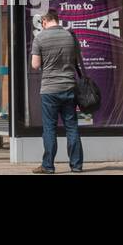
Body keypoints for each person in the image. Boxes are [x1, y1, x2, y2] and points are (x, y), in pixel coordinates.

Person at [31, 9, 84, 174]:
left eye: (42, 23)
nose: (42, 26)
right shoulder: (70, 37)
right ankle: (76, 165)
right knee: (72, 127)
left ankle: (48, 166)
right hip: (68, 87)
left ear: (45, 21)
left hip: (49, 90)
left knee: (49, 128)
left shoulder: (40, 38)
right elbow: (76, 58)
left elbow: (35, 65)